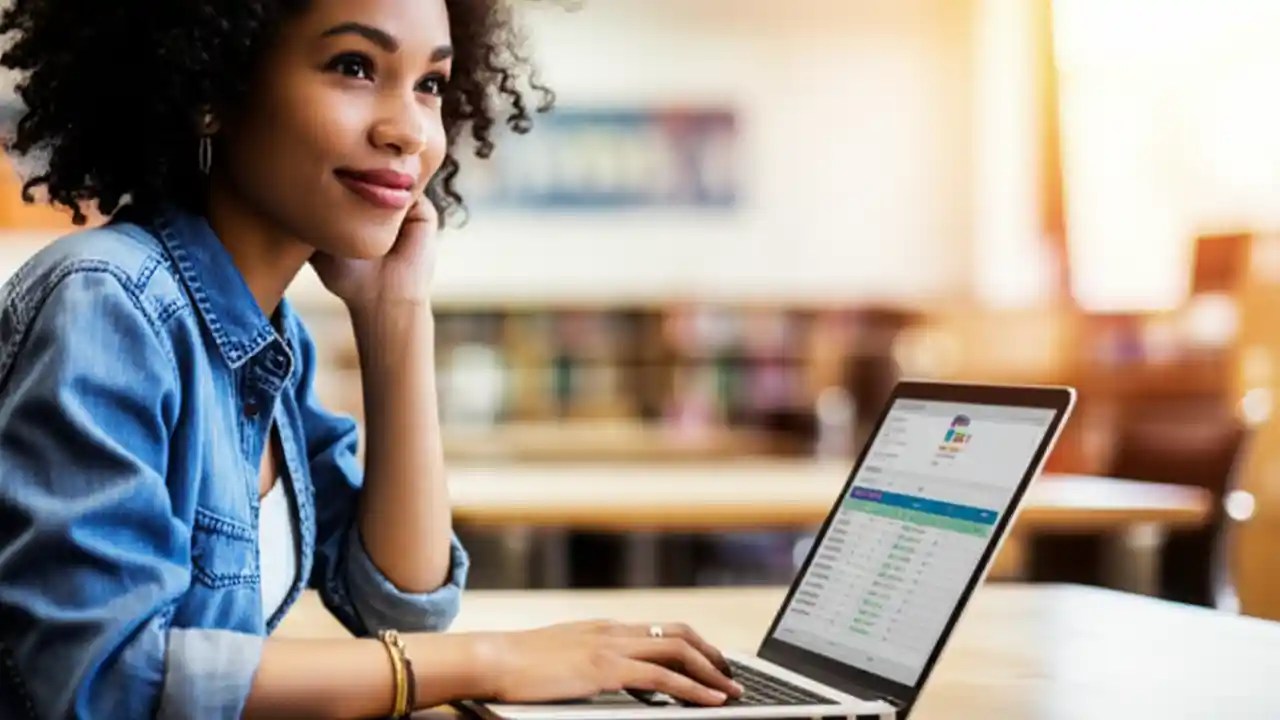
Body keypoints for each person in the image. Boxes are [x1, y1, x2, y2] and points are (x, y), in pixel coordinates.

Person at [0, 1, 742, 717]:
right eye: (354, 66)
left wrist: (396, 316)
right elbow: (107, 682)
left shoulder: (265, 337)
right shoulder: (109, 302)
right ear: (212, 89)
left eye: (431, 85)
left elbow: (399, 606)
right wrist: (498, 662)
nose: (409, 130)